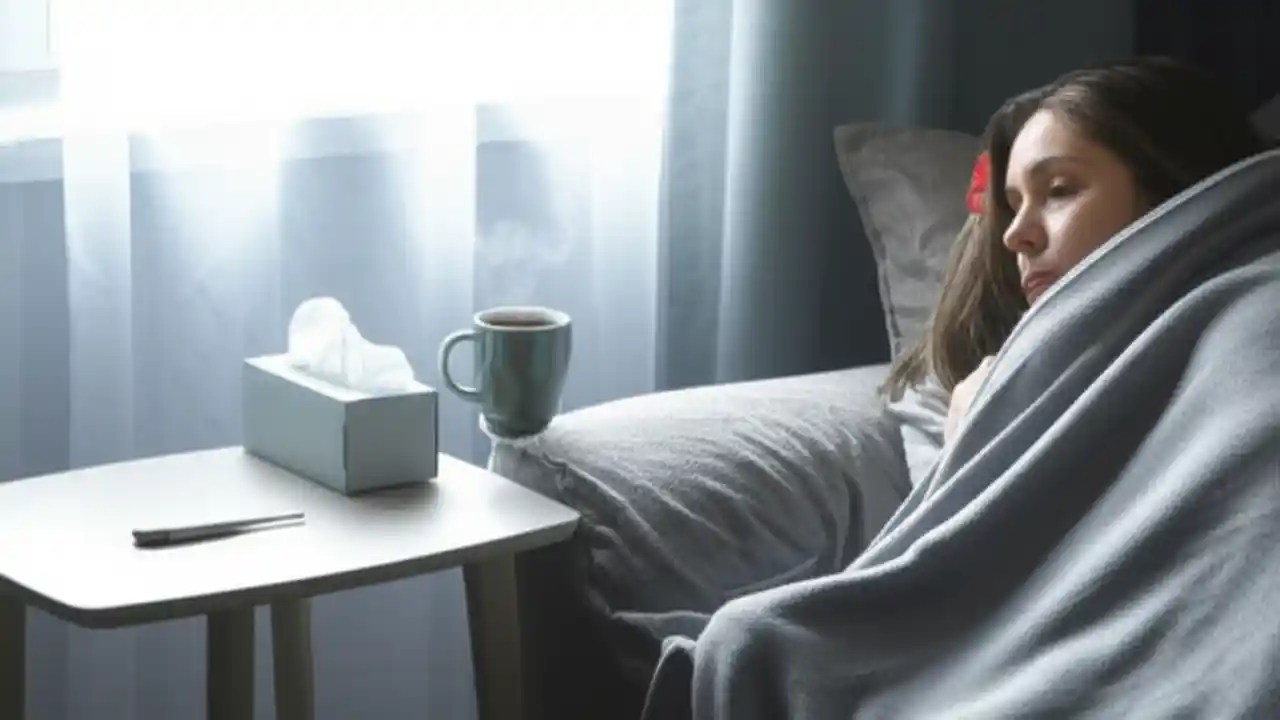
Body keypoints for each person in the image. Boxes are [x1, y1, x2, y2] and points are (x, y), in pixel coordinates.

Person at [883, 57, 1269, 480]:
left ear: (1172, 191)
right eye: (1013, 206)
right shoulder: (981, 390)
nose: (1015, 236)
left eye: (1059, 190)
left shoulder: (1253, 329)